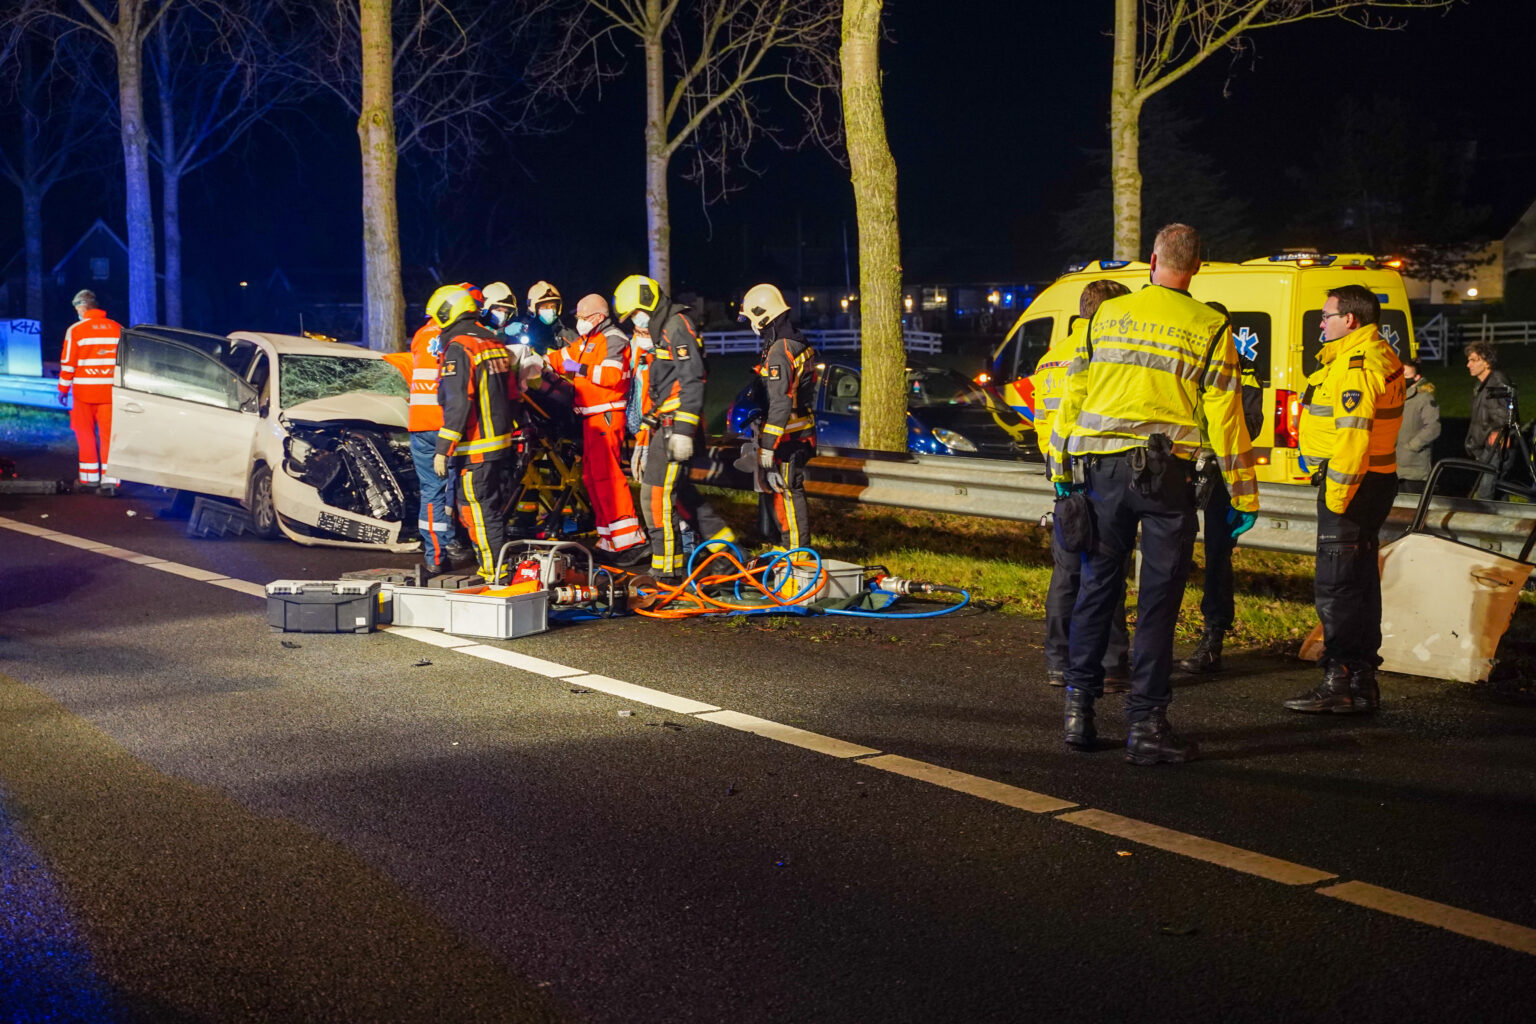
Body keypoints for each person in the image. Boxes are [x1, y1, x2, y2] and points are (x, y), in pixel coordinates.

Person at [1047, 223, 1258, 765]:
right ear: (1198, 268)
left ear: (1152, 260)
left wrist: (1061, 469)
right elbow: (1226, 417)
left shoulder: (1106, 316)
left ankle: (1079, 712)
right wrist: (1242, 494)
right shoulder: (1211, 327)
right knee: (1159, 600)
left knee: (1097, 587)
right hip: (1168, 477)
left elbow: (1074, 393)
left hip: (1100, 472)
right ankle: (1146, 725)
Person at [1285, 284, 1406, 715]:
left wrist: (1336, 499)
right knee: (1359, 584)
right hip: (1373, 482)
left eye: (1326, 315)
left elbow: (1353, 440)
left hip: (1351, 487)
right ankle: (1361, 681)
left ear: (1350, 320)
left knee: (1336, 586)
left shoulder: (1356, 365)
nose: (1321, 322)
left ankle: (1338, 680)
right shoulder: (1377, 355)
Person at [1039, 279, 1134, 692]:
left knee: (1066, 572)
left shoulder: (1050, 358)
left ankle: (1059, 661)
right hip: (1100, 470)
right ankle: (1111, 664)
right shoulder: (1107, 354)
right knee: (1106, 569)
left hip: (1061, 473)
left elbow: (1044, 419)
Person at [612, 273, 734, 581]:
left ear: (648, 303)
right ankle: (728, 558)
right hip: (665, 425)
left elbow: (693, 379)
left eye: (636, 314)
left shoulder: (677, 326)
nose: (636, 322)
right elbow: (667, 384)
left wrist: (683, 429)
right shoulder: (667, 327)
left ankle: (666, 570)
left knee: (655, 496)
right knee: (684, 498)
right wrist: (650, 421)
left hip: (676, 427)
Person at [1179, 299, 1265, 674]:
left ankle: (1213, 639)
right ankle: (1157, 636)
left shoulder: (1244, 370)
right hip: (1181, 468)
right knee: (1173, 554)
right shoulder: (1183, 365)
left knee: (1217, 557)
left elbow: (1252, 422)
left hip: (1221, 474)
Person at [429, 283, 518, 582]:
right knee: (489, 508)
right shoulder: (493, 341)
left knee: (477, 511)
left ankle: (496, 573)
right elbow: (512, 392)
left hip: (475, 446)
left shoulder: (460, 346)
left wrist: (443, 447)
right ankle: (496, 568)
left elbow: (457, 401)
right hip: (498, 443)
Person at [558, 293, 648, 561]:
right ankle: (610, 539)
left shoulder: (613, 339)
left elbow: (610, 376)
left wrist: (579, 368)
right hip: (592, 418)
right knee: (593, 478)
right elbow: (560, 358)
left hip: (606, 416)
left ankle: (629, 541)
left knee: (608, 479)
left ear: (598, 318)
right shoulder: (589, 341)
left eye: (583, 318)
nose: (580, 323)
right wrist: (534, 361)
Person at [384, 307, 471, 574]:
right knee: (460, 487)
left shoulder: (422, 335)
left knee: (431, 491)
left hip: (421, 426)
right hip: (450, 425)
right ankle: (464, 544)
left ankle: (435, 556)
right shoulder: (462, 337)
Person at [740, 283, 816, 551]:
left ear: (763, 315)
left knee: (788, 495)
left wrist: (768, 445)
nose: (752, 325)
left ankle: (797, 556)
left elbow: (781, 402)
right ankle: (787, 549)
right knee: (782, 494)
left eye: (751, 318)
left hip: (787, 437)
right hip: (795, 433)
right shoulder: (792, 341)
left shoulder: (780, 351)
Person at [57, 289, 124, 494]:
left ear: (82, 307)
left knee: (85, 435)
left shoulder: (76, 330)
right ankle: (110, 480)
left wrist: (63, 388)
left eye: (77, 308)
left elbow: (68, 363)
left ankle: (89, 480)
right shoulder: (118, 328)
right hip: (110, 394)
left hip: (84, 393)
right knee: (108, 437)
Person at [1463, 341, 1515, 500]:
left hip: (1496, 446)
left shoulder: (1498, 380)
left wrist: (1500, 433)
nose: (1468, 364)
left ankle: (1483, 523)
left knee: (1486, 491)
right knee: (1497, 490)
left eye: (1473, 360)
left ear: (1486, 362)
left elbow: (1508, 412)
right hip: (1486, 446)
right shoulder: (1481, 384)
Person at [1395, 357, 1441, 494]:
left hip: (1414, 467)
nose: (1402, 378)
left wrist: (1412, 446)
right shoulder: (1395, 397)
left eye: (1406, 375)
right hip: (1394, 467)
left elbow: (1433, 427)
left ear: (1417, 378)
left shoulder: (1424, 398)